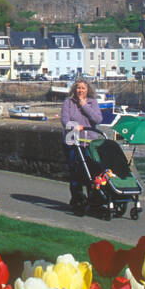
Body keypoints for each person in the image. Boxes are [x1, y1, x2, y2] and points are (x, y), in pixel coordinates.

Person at [61, 79, 104, 208]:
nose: (80, 90)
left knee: (92, 172)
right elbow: (64, 121)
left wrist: (84, 105)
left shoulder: (92, 102)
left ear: (87, 90)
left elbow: (98, 119)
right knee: (75, 172)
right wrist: (75, 126)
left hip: (89, 142)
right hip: (73, 142)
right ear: (74, 89)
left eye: (83, 88)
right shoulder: (68, 102)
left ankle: (94, 199)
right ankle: (76, 198)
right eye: (78, 88)